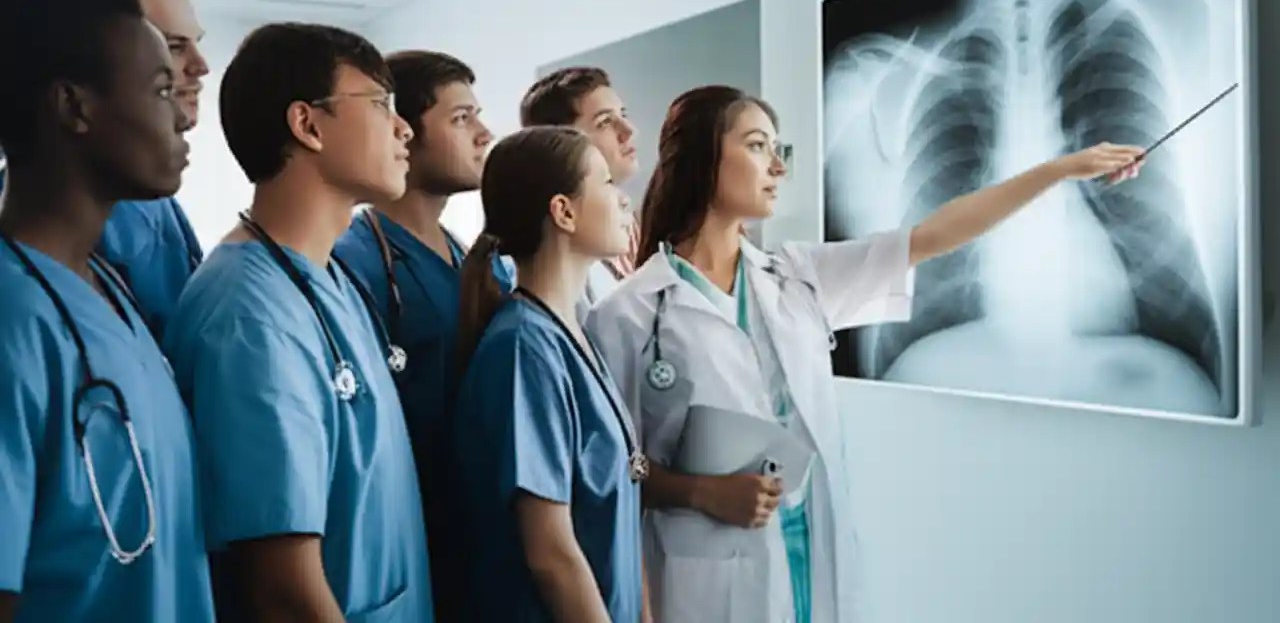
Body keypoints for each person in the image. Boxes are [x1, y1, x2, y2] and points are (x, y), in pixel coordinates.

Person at [586, 85, 1144, 623]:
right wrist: (700, 491)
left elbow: (932, 236)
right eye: (757, 146)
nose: (777, 166)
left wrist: (1058, 171)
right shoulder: (629, 314)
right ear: (705, 156)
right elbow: (611, 468)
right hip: (706, 580)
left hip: (816, 560)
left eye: (779, 150)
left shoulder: (797, 277)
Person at [162, 23, 433, 622]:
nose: (404, 126)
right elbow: (283, 588)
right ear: (307, 124)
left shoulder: (329, 280)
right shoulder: (247, 312)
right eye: (382, 104)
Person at [0, 0, 213, 623]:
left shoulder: (105, 298)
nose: (180, 117)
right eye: (157, 88)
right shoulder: (14, 321)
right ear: (74, 106)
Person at [333, 48, 510, 620]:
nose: (485, 134)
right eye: (462, 119)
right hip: (412, 535)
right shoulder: (355, 261)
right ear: (405, 130)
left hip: (481, 528)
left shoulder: (477, 261)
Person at [452, 126, 646, 622]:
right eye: (606, 183)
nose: (625, 201)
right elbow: (551, 555)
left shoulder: (569, 334)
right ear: (564, 211)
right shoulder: (523, 348)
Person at [61, 0, 209, 339]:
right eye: (173, 47)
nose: (200, 66)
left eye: (197, 42)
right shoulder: (66, 221)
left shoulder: (151, 195)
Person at [520, 66, 639, 317]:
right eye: (605, 121)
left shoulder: (635, 234)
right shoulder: (557, 260)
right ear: (562, 143)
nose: (629, 130)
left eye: (623, 114)